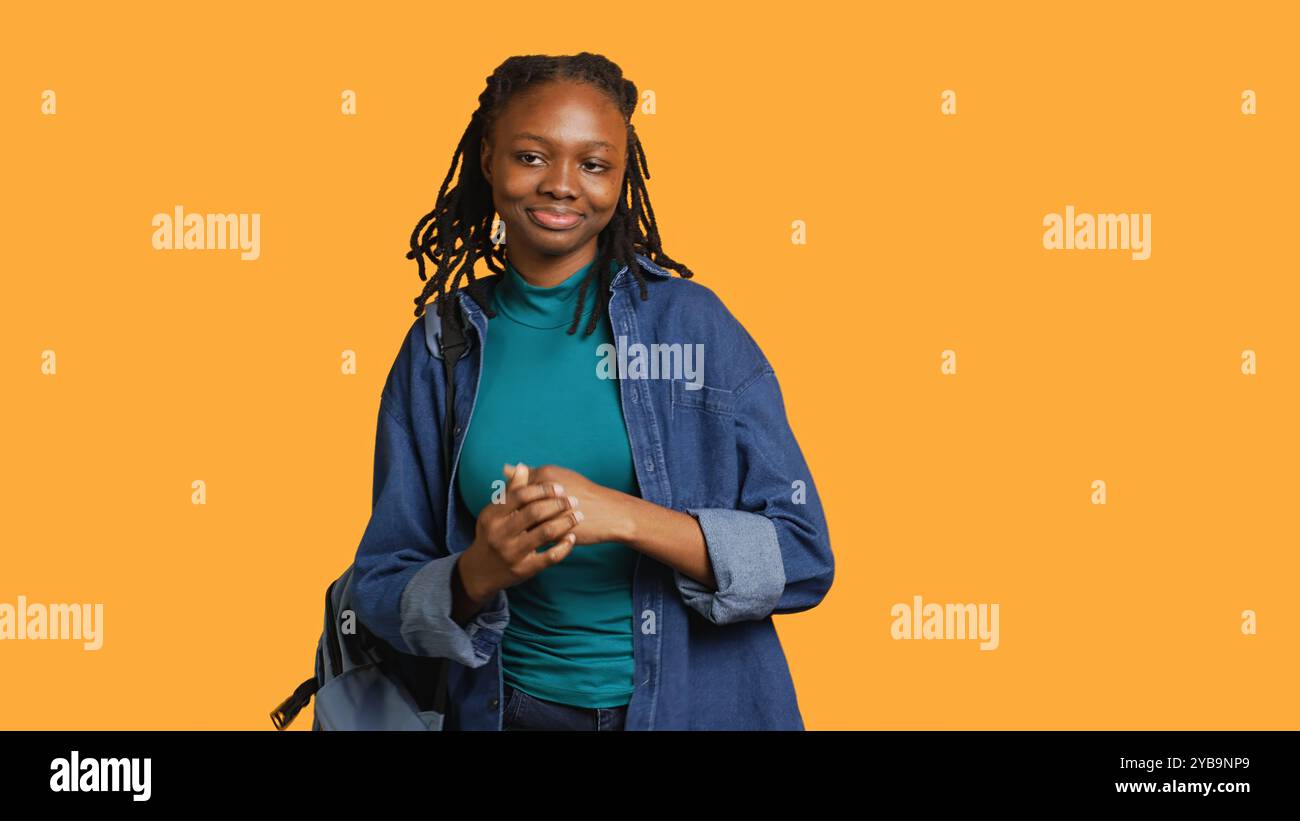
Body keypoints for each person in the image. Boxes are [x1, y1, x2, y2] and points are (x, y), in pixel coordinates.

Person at [350, 52, 834, 730]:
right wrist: (475, 574)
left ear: (620, 177)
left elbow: (803, 557)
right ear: (488, 158)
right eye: (532, 156)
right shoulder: (441, 345)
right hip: (508, 711)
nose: (562, 185)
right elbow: (378, 586)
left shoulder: (693, 327)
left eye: (594, 164)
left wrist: (624, 516)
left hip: (693, 710)